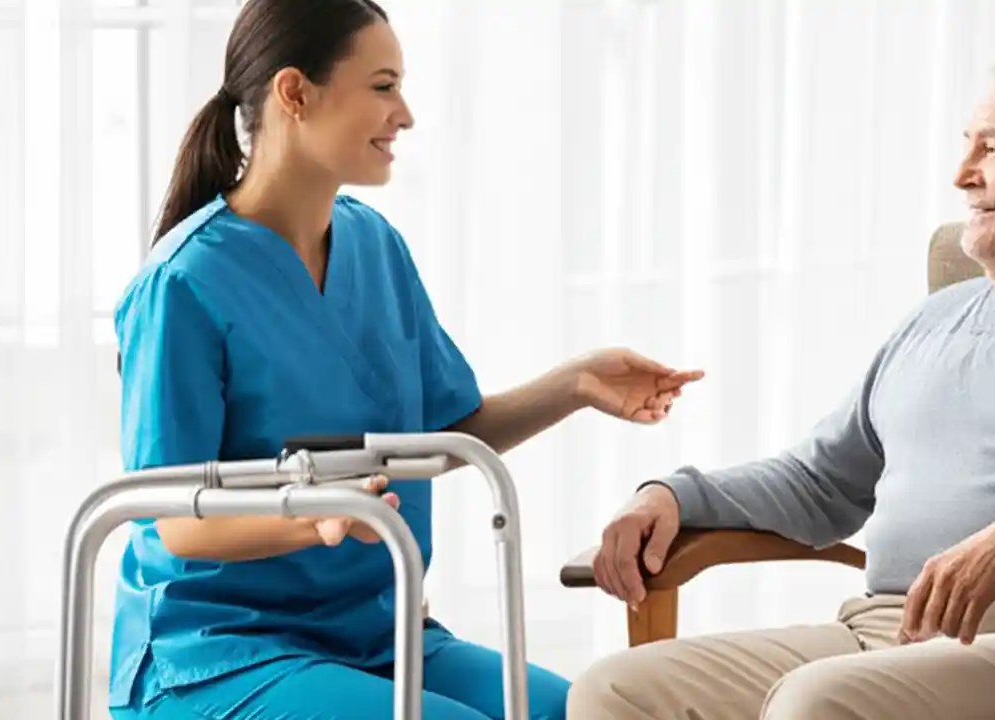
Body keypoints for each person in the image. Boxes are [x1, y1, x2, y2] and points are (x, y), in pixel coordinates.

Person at [571, 50, 995, 720]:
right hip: (883, 633)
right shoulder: (936, 318)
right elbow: (820, 483)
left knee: (817, 702)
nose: (962, 175)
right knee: (615, 691)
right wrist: (673, 496)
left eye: (991, 147)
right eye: (966, 146)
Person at [108, 1, 703, 718]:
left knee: (593, 711)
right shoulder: (184, 285)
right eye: (383, 86)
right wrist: (318, 516)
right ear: (296, 93)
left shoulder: (374, 247)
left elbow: (443, 438)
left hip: (378, 633)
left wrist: (575, 384)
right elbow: (177, 521)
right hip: (219, 652)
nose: (407, 115)